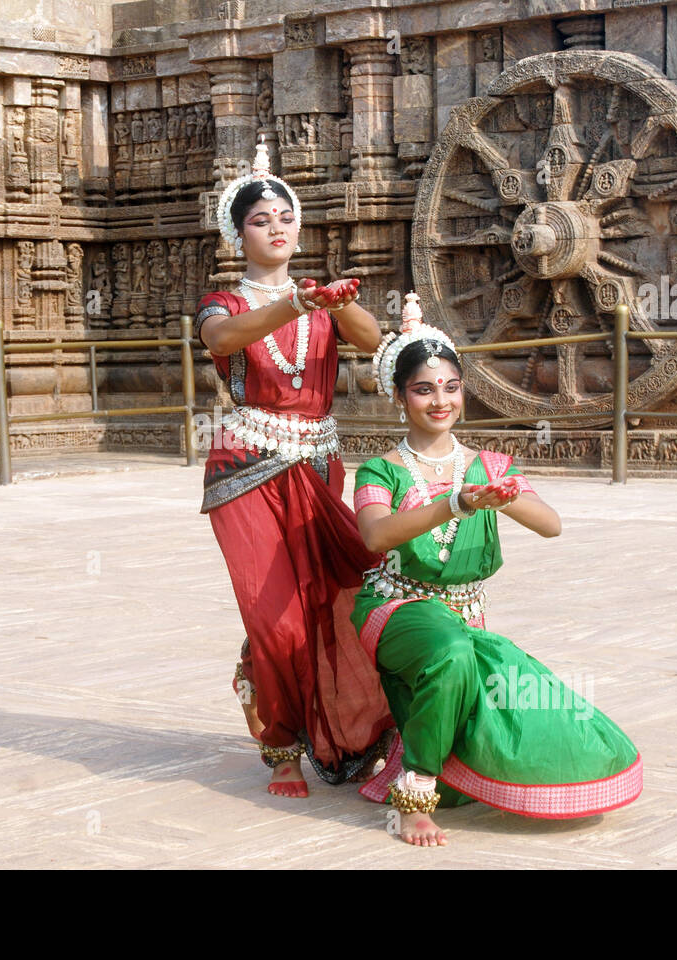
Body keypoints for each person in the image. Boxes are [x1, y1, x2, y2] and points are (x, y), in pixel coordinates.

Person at [350, 293, 643, 845]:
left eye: (451, 387)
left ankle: (451, 768)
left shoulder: (492, 466)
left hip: (465, 614)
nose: (440, 400)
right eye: (423, 389)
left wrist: (501, 495)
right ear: (398, 396)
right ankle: (414, 791)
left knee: (533, 715)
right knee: (451, 653)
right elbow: (375, 534)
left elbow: (551, 525)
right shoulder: (379, 469)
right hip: (395, 606)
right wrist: (456, 503)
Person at [195, 133, 394, 798]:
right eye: (260, 219)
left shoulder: (321, 300)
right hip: (245, 466)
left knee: (341, 595)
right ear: (238, 234)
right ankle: (280, 745)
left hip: (318, 464)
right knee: (274, 615)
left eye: (285, 217)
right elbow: (222, 341)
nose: (276, 227)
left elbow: (376, 343)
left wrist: (332, 302)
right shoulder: (226, 303)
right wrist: (296, 304)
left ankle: (362, 725)